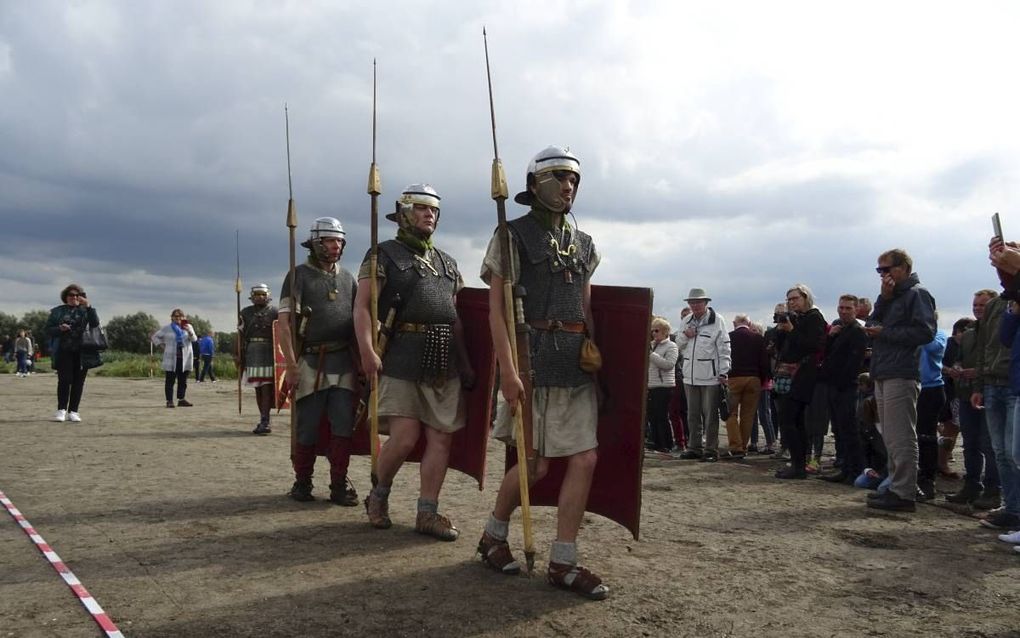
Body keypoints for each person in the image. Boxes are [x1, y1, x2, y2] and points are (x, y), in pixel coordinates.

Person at [477, 146, 609, 600]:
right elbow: (496, 311)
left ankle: (563, 560)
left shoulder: (585, 243)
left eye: (574, 179)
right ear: (535, 185)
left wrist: (594, 359)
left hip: (573, 363)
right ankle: (493, 534)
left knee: (585, 458)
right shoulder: (511, 235)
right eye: (559, 178)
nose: (569, 186)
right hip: (530, 360)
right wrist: (508, 371)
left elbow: (585, 307)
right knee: (534, 466)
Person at [355, 184, 475, 541]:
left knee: (441, 438)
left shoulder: (447, 263)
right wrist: (367, 350)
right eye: (422, 208)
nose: (430, 215)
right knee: (405, 438)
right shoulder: (383, 254)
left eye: (434, 210)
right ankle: (379, 495)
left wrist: (465, 362)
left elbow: (455, 318)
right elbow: (362, 307)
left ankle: (427, 512)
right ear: (405, 213)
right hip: (401, 354)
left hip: (443, 358)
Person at [278, 217, 359, 506]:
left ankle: (338, 484)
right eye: (330, 240)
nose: (336, 245)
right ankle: (302, 482)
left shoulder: (348, 279)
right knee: (308, 426)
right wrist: (291, 365)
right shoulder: (298, 275)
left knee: (343, 425)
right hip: (310, 361)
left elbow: (360, 319)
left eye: (339, 241)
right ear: (315, 243)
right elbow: (284, 324)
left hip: (343, 362)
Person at [864, 248, 936, 512]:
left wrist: (885, 332)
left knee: (901, 436)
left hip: (901, 371)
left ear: (903, 268)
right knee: (891, 437)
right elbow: (872, 322)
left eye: (887, 269)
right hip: (884, 369)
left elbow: (925, 332)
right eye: (879, 270)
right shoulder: (890, 297)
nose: (883, 275)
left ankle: (904, 492)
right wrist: (883, 300)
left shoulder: (918, 294)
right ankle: (895, 487)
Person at [945, 303, 1000, 508]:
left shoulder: (997, 331)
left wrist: (978, 372)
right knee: (970, 444)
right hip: (966, 393)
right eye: (975, 305)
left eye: (982, 304)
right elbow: (959, 359)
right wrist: (957, 368)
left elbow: (1001, 361)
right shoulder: (968, 334)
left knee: (989, 444)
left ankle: (993, 490)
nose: (978, 308)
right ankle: (971, 486)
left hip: (991, 392)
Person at [773, 284, 826, 479]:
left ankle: (798, 465)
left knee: (789, 419)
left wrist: (792, 330)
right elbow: (782, 347)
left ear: (806, 298)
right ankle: (798, 464)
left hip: (802, 375)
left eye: (795, 298)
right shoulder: (798, 318)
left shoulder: (814, 317)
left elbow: (812, 345)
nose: (791, 302)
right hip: (791, 375)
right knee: (794, 421)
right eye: (789, 299)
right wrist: (782, 330)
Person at [675, 288, 731, 462]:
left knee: (710, 415)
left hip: (710, 376)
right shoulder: (686, 320)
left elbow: (724, 347)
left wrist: (724, 371)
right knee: (692, 415)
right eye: (691, 302)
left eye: (698, 302)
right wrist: (686, 335)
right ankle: (694, 447)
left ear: (706, 303)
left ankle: (711, 449)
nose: (694, 305)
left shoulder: (717, 320)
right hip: (690, 375)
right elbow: (678, 344)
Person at [818, 294, 868, 484]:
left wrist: (840, 382)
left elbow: (854, 363)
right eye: (841, 308)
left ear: (856, 309)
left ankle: (854, 470)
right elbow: (828, 355)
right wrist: (831, 337)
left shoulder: (857, 332)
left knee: (849, 430)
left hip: (846, 387)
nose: (844, 311)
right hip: (834, 385)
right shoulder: (840, 330)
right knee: (839, 429)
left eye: (848, 308)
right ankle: (845, 467)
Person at [44, 284, 100, 422]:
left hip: (83, 351)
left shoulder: (86, 310)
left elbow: (95, 323)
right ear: (66, 297)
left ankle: (73, 411)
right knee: (64, 380)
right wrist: (59, 328)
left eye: (77, 295)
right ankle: (61, 410)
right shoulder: (57, 311)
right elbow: (47, 329)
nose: (74, 297)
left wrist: (88, 306)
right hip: (64, 350)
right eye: (71, 295)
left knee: (78, 382)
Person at [723, 313, 767, 458]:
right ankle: (743, 446)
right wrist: (762, 380)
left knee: (730, 413)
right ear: (749, 324)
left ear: (734, 323)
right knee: (748, 415)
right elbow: (764, 361)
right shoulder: (758, 338)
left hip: (733, 378)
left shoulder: (728, 337)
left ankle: (736, 446)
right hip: (754, 379)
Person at [238, 283, 279, 435]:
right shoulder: (245, 312)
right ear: (252, 296)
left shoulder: (275, 312)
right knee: (258, 388)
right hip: (252, 352)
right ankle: (263, 419)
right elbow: (240, 334)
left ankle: (265, 421)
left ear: (268, 296)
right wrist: (238, 354)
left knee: (266, 387)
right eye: (257, 294)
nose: (260, 297)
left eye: (263, 294)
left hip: (269, 351)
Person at [916, 321, 947, 500]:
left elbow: (934, 348)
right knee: (912, 435)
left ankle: (928, 479)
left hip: (931, 389)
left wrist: (922, 330)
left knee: (926, 435)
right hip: (912, 386)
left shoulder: (939, 334)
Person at [151, 310, 198, 408]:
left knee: (183, 380)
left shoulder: (188, 327)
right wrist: (162, 345)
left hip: (184, 358)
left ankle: (181, 399)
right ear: (172, 317)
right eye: (176, 316)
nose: (178, 318)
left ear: (183, 317)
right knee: (170, 380)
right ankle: (169, 401)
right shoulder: (167, 328)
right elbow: (155, 337)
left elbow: (194, 339)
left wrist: (189, 331)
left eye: (180, 316)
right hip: (171, 358)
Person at [647, 316, 679, 453]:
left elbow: (669, 364)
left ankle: (666, 443)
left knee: (662, 415)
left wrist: (651, 355)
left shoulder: (672, 346)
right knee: (652, 415)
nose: (654, 333)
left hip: (664, 386)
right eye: (652, 331)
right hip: (652, 385)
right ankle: (656, 441)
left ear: (665, 331)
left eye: (657, 330)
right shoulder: (652, 345)